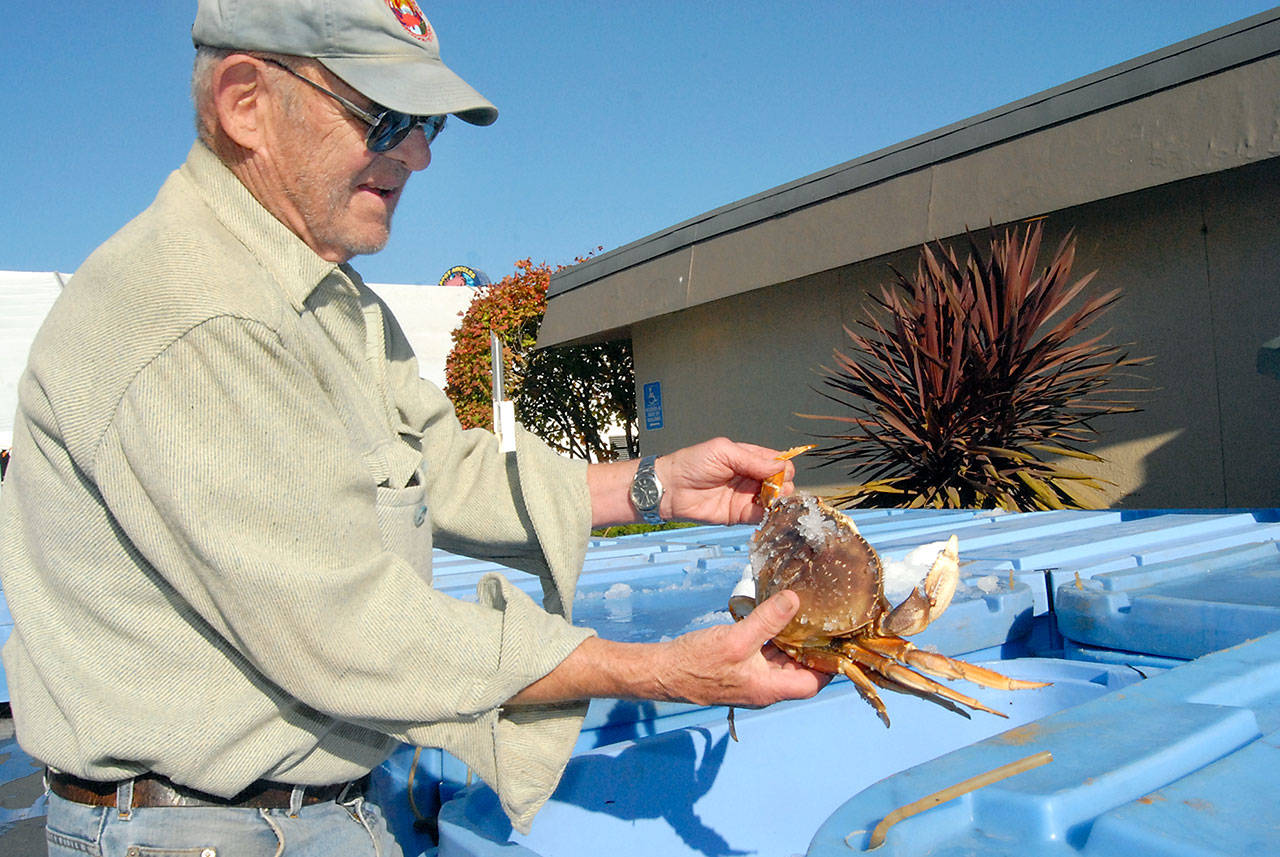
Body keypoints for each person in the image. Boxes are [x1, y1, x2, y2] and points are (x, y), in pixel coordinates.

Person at [0, 2, 827, 854]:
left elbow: (442, 463)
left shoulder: (328, 298)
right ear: (246, 101)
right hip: (197, 831)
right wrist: (659, 670)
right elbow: (347, 627)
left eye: (427, 122)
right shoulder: (189, 315)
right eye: (384, 115)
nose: (420, 154)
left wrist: (651, 483)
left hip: (326, 810)